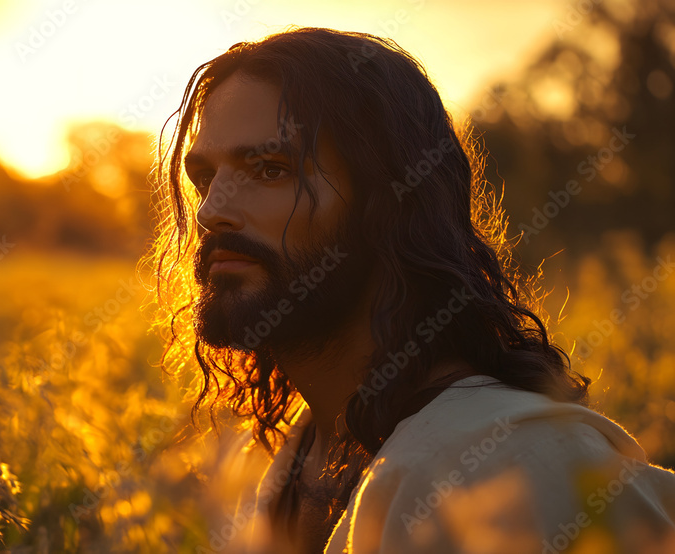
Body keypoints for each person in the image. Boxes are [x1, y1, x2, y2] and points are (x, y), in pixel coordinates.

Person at [140, 27, 675, 553]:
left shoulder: (512, 466)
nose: (211, 212)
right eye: (205, 178)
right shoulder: (286, 455)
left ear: (388, 205)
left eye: (272, 170)